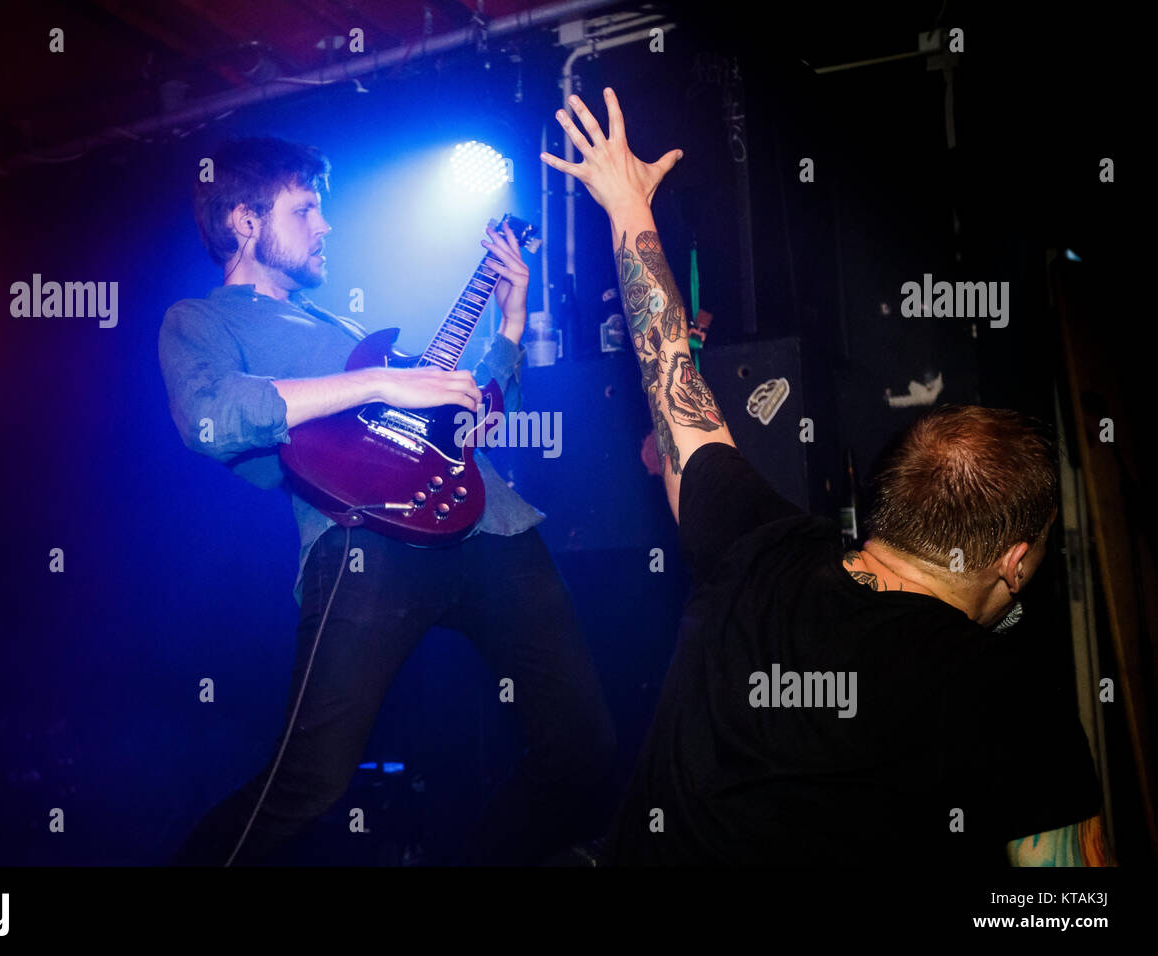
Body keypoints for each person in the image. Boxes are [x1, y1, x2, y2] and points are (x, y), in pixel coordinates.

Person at [540, 88, 1109, 865]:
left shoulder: (760, 548)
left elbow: (674, 382)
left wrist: (626, 206)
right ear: (1014, 560)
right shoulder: (1013, 700)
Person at [160, 137, 615, 866]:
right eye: (306, 210)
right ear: (245, 221)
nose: (326, 225)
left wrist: (510, 321)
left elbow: (476, 419)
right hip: (363, 544)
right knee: (309, 783)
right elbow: (209, 416)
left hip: (493, 528)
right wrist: (380, 385)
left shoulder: (348, 329)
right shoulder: (203, 321)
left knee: (586, 756)